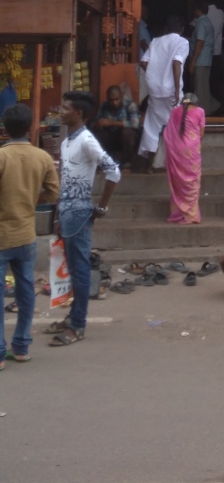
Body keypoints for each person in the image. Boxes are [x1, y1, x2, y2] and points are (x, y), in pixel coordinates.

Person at [47, 92, 120, 347]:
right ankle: (73, 317)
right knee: (73, 269)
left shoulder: (87, 141)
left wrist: (102, 207)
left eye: (65, 107)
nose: (61, 111)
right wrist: (58, 216)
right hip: (67, 213)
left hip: (79, 213)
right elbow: (65, 181)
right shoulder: (68, 141)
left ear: (78, 114)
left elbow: (113, 172)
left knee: (79, 270)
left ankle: (77, 325)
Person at [0, 103, 59, 367]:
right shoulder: (42, 157)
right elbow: (54, 193)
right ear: (30, 128)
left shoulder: (2, 157)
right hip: (26, 234)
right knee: (25, 293)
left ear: (5, 128)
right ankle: (21, 347)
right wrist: (32, 198)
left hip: (2, 236)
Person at [138, 16, 190, 170]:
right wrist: (176, 89)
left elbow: (143, 61)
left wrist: (153, 75)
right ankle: (175, 163)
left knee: (152, 126)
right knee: (176, 125)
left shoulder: (155, 42)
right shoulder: (182, 42)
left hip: (155, 89)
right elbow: (176, 62)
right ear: (181, 29)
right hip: (171, 91)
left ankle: (150, 165)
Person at [163, 93, 205, 225]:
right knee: (192, 182)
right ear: (195, 102)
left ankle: (178, 213)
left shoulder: (174, 111)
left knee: (178, 181)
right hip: (192, 151)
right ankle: (191, 215)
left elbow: (168, 134)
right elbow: (201, 133)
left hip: (177, 152)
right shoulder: (200, 111)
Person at [94, 85, 139, 168]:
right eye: (111, 100)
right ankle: (105, 163)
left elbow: (135, 124)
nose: (114, 103)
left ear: (121, 96)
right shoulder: (104, 105)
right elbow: (96, 121)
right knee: (100, 134)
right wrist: (99, 124)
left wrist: (111, 123)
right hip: (111, 136)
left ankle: (126, 164)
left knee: (127, 133)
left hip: (127, 139)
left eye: (117, 99)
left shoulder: (130, 104)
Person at [189, 1, 220, 115]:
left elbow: (200, 41)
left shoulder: (201, 23)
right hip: (206, 59)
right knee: (204, 86)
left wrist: (193, 60)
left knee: (200, 87)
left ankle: (203, 111)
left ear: (198, 11)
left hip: (200, 59)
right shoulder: (208, 21)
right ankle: (213, 105)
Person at [206, 0, 224, 98]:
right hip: (217, 50)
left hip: (205, 51)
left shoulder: (205, 14)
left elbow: (193, 26)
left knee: (206, 79)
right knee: (215, 78)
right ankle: (216, 100)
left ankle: (208, 101)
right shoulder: (221, 13)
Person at [137, 4, 151, 103]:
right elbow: (143, 43)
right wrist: (152, 57)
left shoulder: (143, 25)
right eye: (145, 12)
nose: (147, 14)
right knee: (144, 85)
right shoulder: (140, 25)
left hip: (144, 60)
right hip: (143, 60)